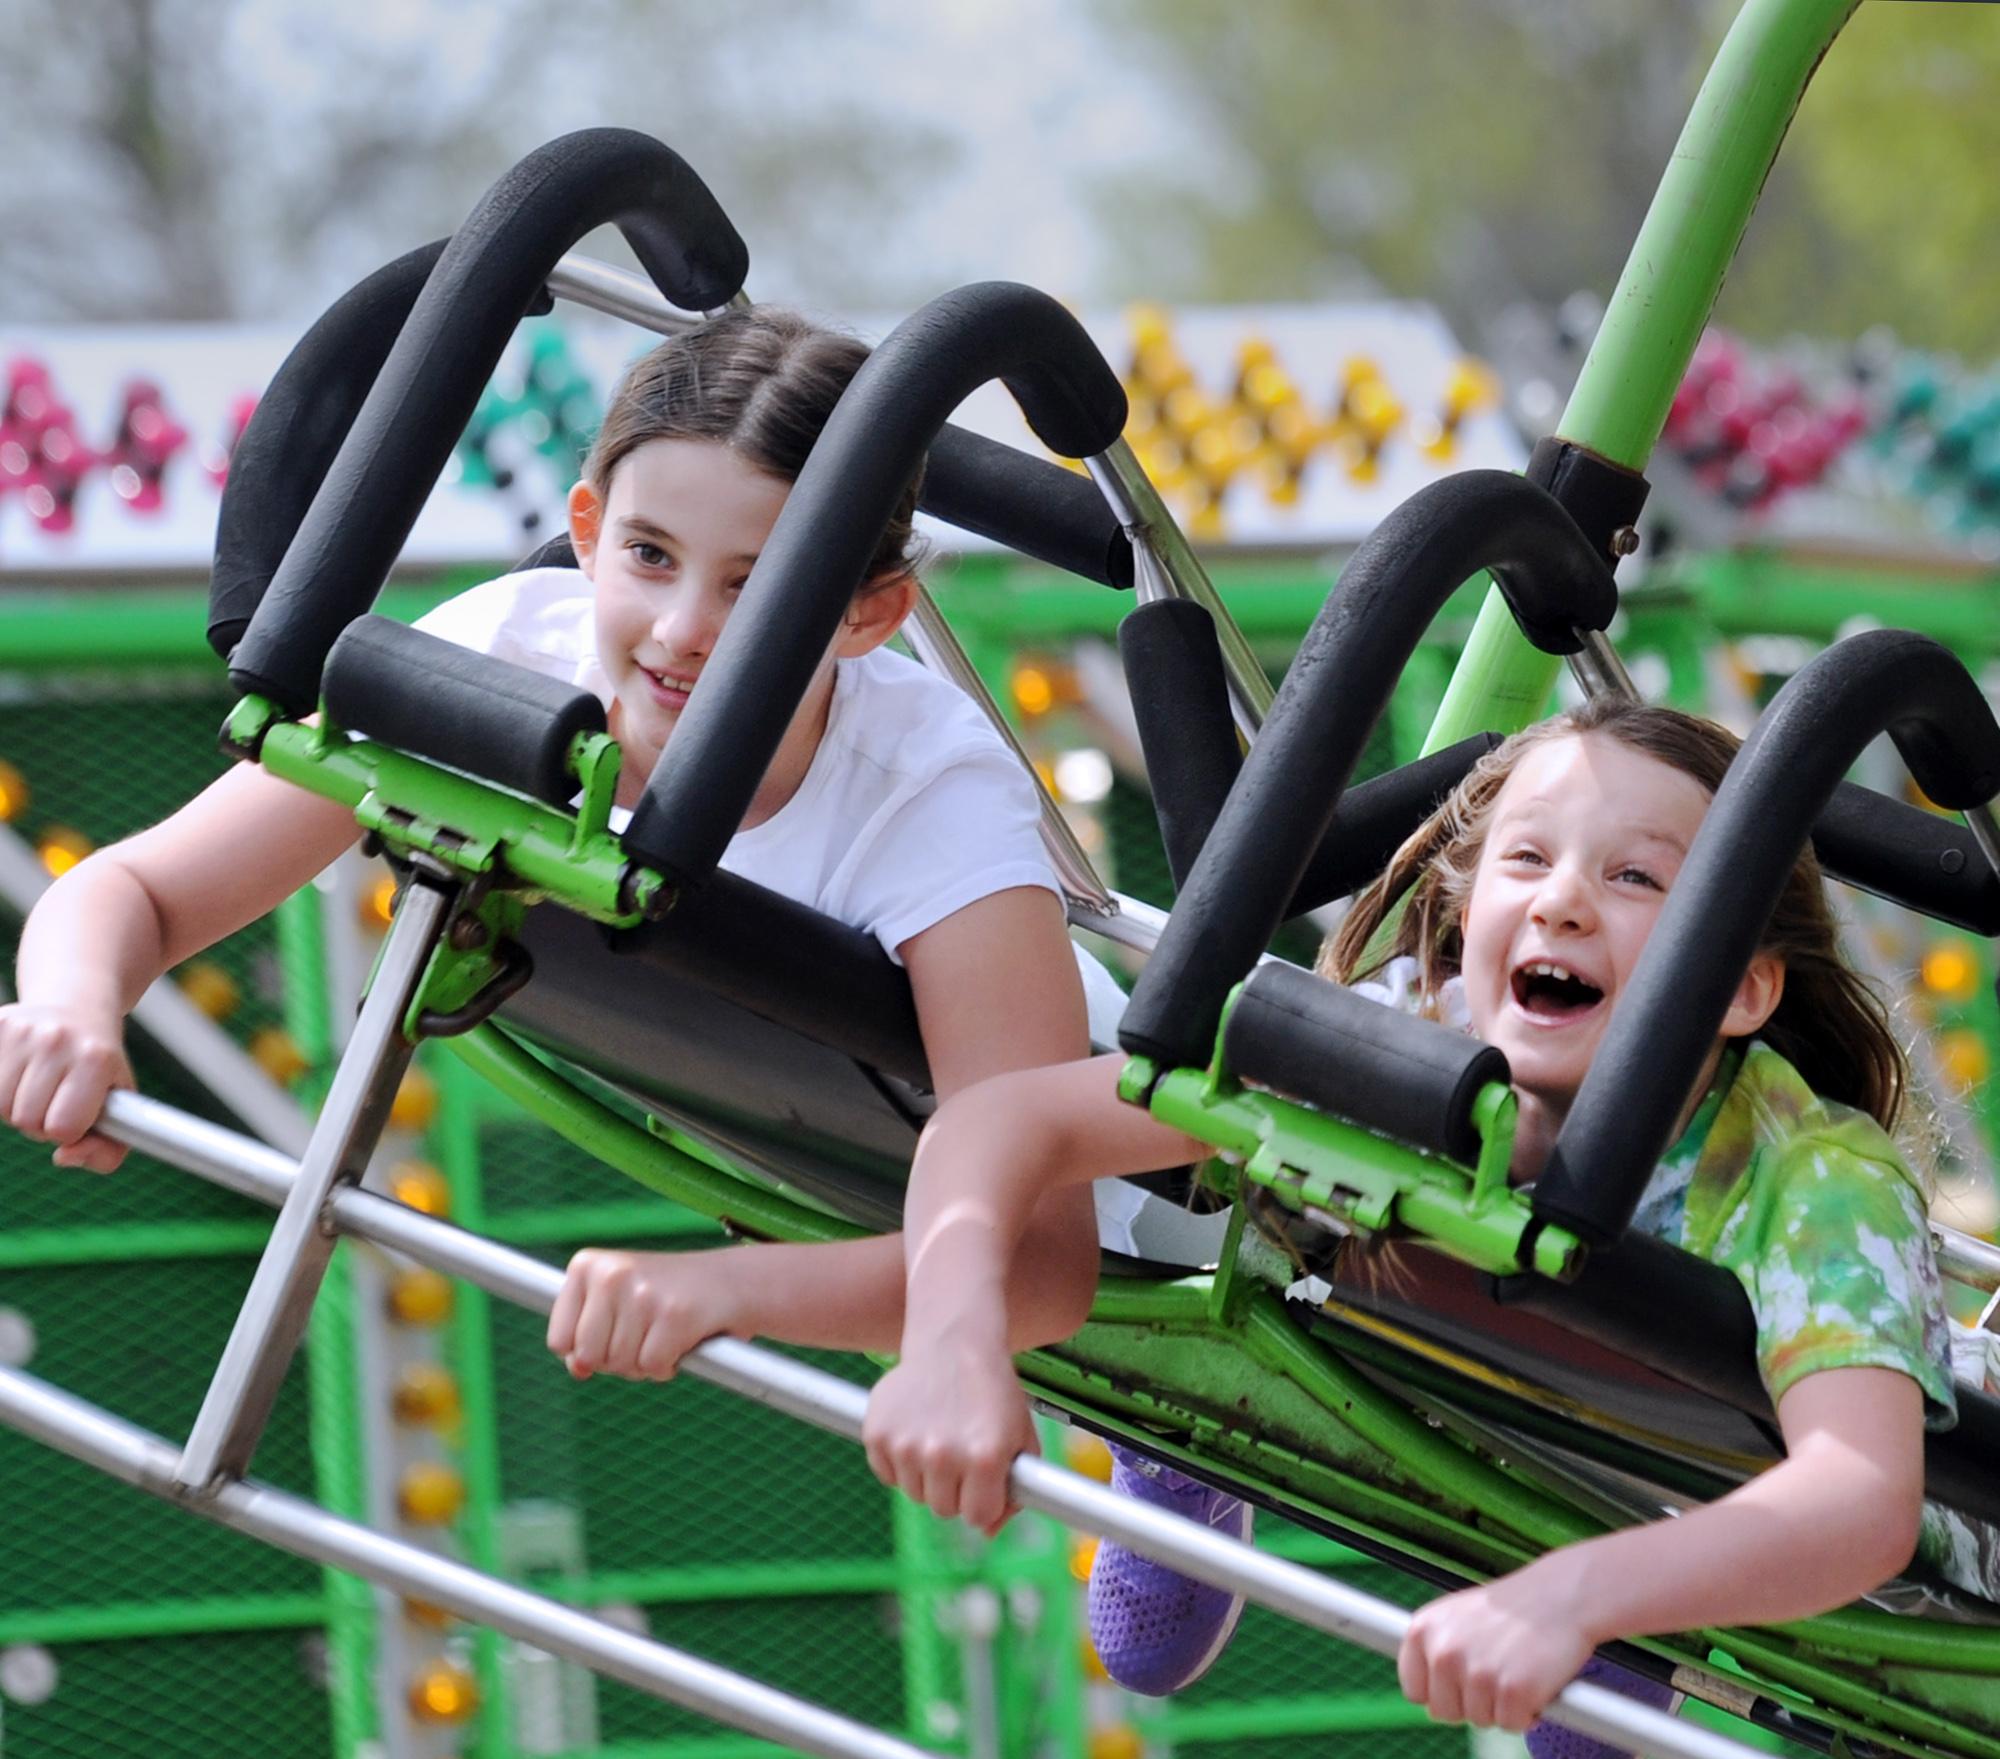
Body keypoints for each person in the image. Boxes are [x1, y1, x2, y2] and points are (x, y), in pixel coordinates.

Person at [863, 694, 1991, 1750]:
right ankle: (1203, 1426)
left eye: (1635, 876)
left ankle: (1599, 1613)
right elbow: (1005, 1123)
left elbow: (1860, 1501)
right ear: (1464, 907)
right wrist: (951, 1337)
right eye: (1526, 859)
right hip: (1504, 1405)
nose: (1560, 900)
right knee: (1242, 1191)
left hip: (1842, 1539)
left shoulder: (1816, 1178)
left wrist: (1572, 1596)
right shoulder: (1407, 1033)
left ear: (1743, 987)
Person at [0, 306, 1101, 1375]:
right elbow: (139, 888)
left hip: (1111, 1235)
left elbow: (1047, 1263)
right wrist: (72, 1009)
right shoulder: (507, 659)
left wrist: (731, 1291)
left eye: (756, 585)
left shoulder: (927, 788)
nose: (682, 630)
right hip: (826, 1173)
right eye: (649, 554)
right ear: (586, 534)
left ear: (870, 613)